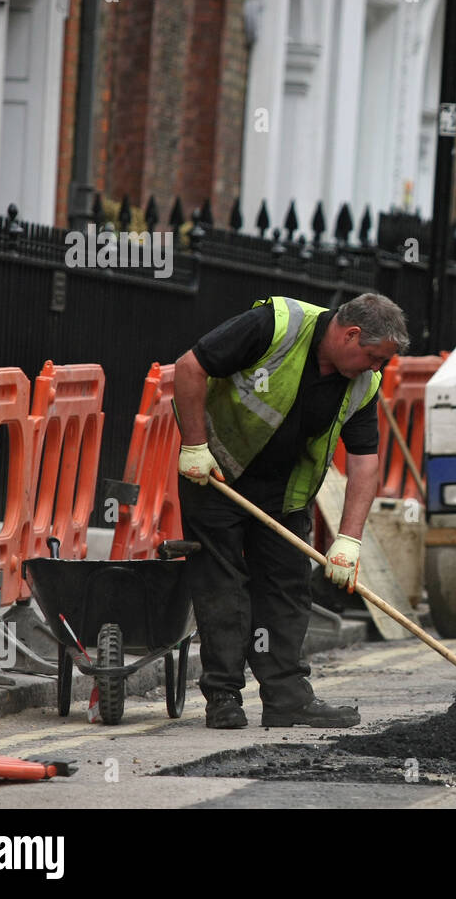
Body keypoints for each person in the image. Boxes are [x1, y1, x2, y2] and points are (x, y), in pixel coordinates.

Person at [173, 292, 409, 729]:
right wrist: (193, 444)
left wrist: (349, 539)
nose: (376, 369)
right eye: (374, 357)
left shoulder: (363, 383)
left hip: (284, 490)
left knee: (286, 586)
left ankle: (286, 697)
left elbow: (364, 459)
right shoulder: (274, 325)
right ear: (350, 334)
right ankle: (223, 697)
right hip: (218, 474)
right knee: (221, 583)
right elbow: (190, 367)